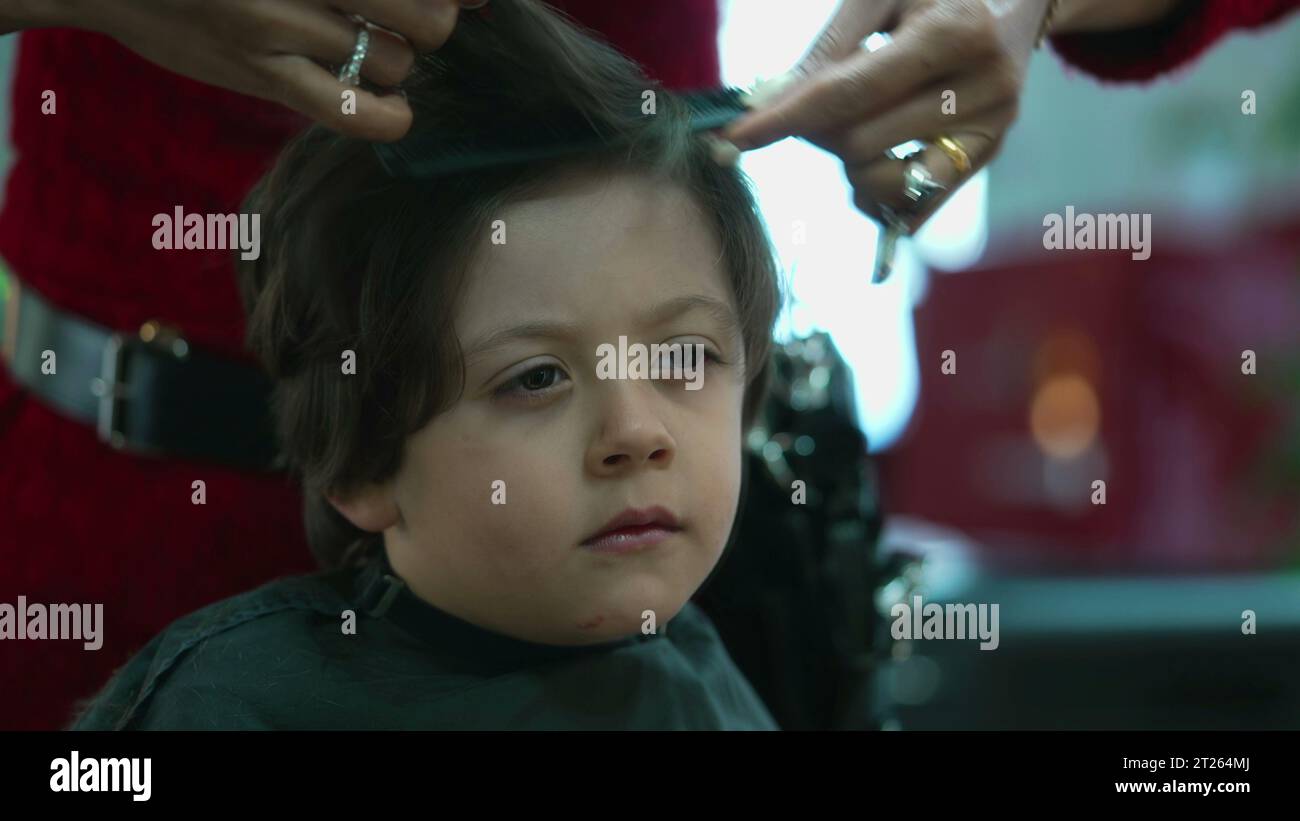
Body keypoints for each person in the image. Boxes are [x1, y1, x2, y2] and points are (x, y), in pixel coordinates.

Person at [0, 0, 722, 730]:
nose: (638, 428)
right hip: (106, 514)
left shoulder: (686, 639)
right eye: (538, 376)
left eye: (686, 357)